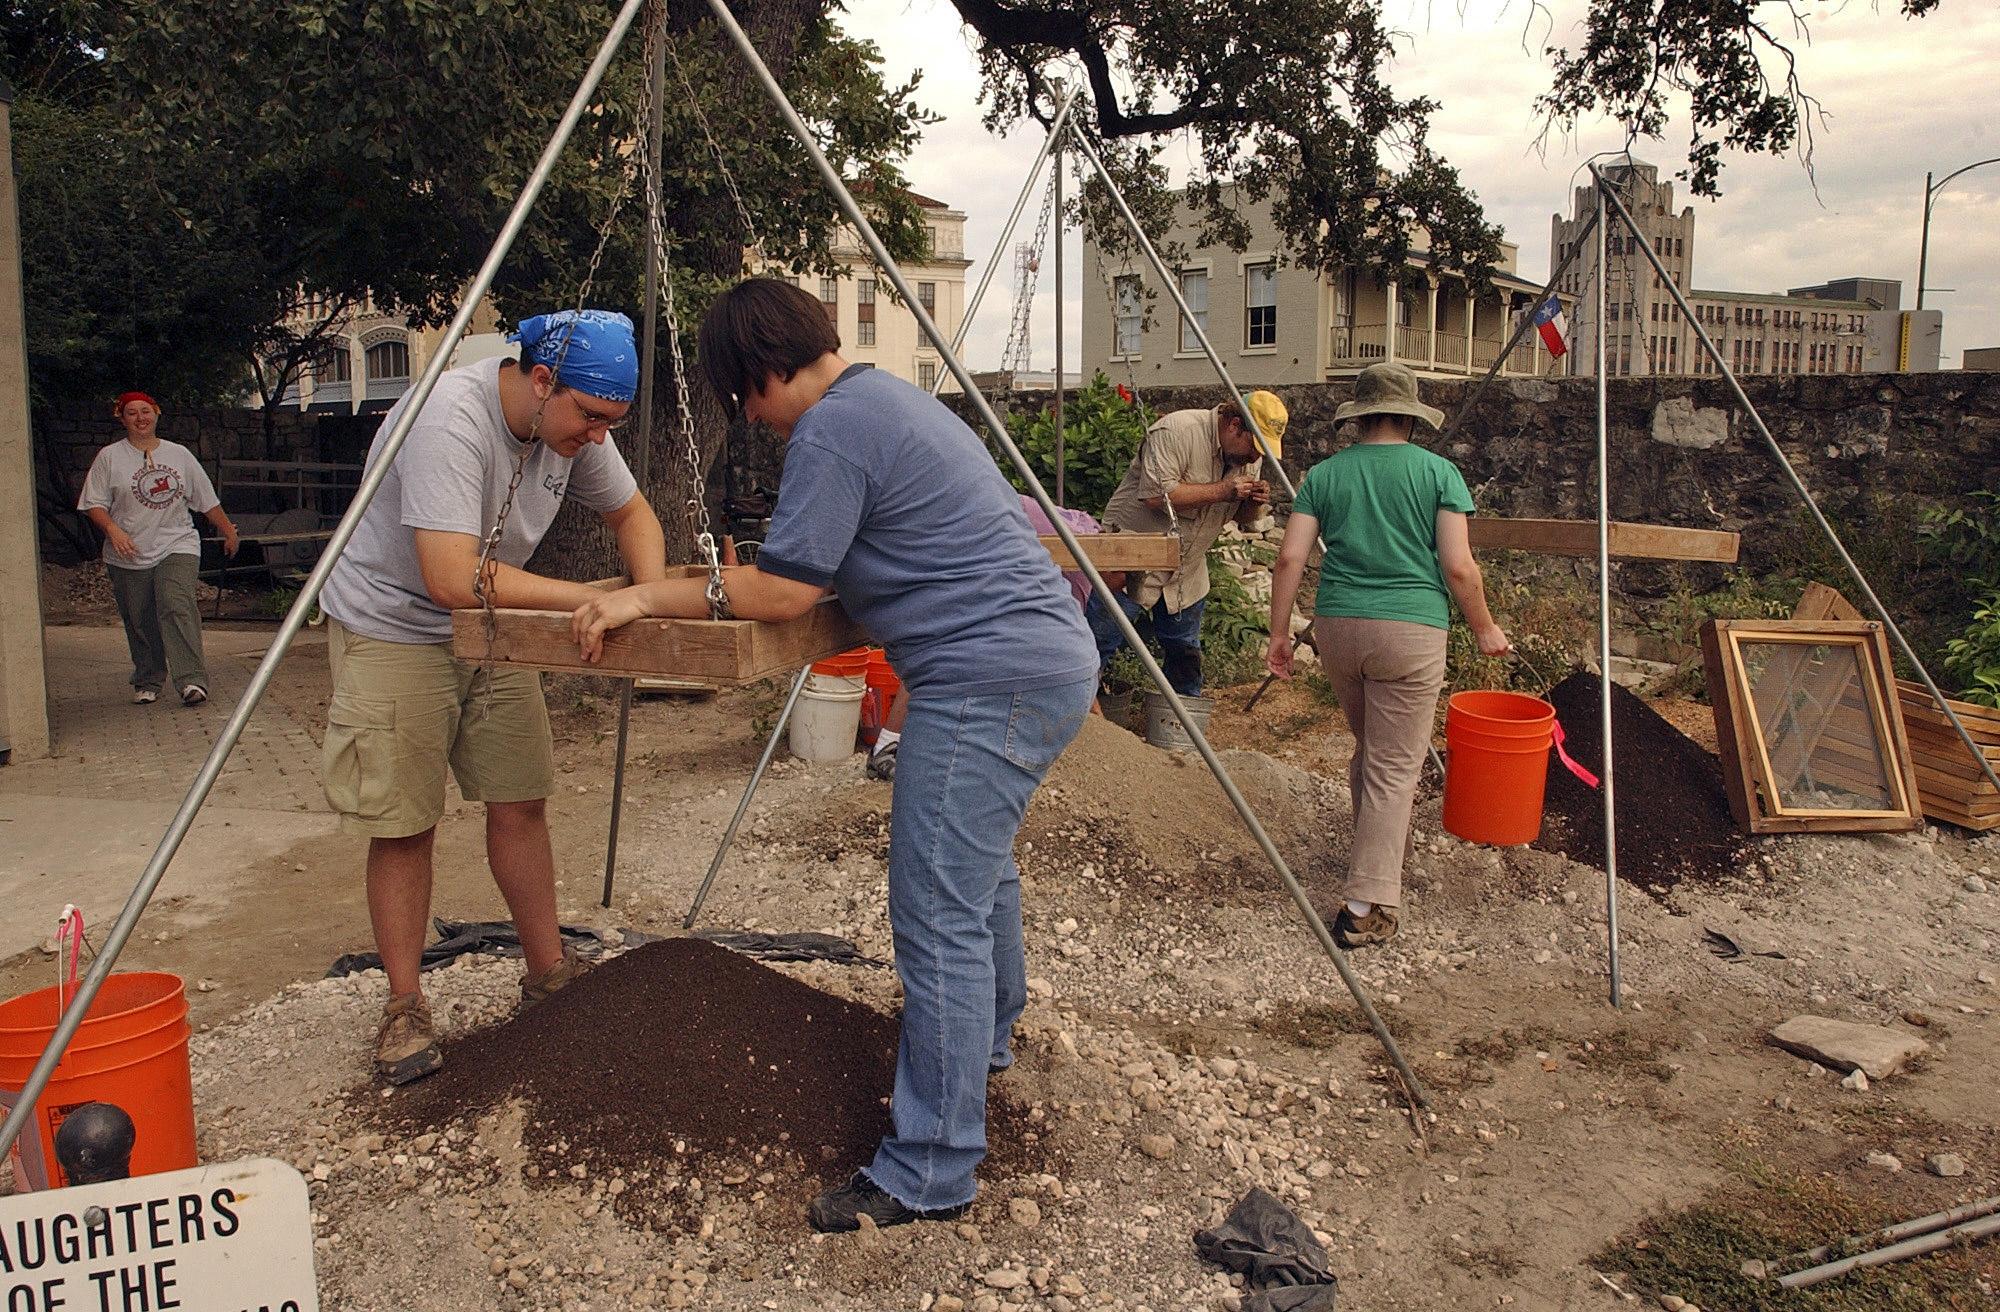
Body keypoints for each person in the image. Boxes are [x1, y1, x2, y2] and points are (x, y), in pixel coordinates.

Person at [571, 278, 1096, 1233]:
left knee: (935, 908)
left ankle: (930, 1167)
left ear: (766, 372)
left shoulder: (833, 428)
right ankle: (985, 1043)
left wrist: (647, 599)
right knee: (978, 876)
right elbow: (848, 560)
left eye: (747, 401)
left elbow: (779, 592)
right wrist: (738, 575)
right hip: (1039, 659)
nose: (757, 422)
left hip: (986, 676)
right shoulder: (890, 399)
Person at [317, 309, 667, 1085]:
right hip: (396, 625)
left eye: (613, 422)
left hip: (496, 627)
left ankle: (548, 972)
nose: (599, 439)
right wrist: (584, 596)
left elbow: (632, 512)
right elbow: (448, 576)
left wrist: (642, 598)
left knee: (520, 797)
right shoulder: (449, 419)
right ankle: (405, 1004)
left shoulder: (573, 423)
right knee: (405, 819)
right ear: (542, 382)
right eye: (591, 418)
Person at [1264, 363, 1510, 949]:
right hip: (1410, 629)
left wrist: (1279, 633)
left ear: (1361, 416)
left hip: (1339, 628)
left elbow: (1289, 560)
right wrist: (1485, 628)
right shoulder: (1439, 473)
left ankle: (1370, 863)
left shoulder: (1323, 475)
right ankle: (1364, 908)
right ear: (1409, 416)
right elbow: (1457, 565)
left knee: (1373, 751)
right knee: (1395, 767)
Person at [864, 493, 1112, 781]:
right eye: (1122, 586)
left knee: (948, 641)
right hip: (967, 539)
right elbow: (1071, 648)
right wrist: (1093, 714)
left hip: (973, 529)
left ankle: (899, 743)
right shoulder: (1079, 568)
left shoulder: (1087, 531)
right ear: (1116, 570)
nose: (1117, 594)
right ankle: (892, 745)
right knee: (943, 640)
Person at [1087, 391, 1287, 697]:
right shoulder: (1177, 431)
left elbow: (1242, 517)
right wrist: (1223, 490)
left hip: (1187, 570)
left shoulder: (1245, 458)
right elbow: (1156, 496)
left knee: (1184, 655)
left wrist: (1254, 504)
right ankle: (1079, 716)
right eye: (1256, 448)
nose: (1256, 458)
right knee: (1097, 642)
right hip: (1131, 561)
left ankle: (1181, 727)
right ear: (1234, 426)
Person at [78, 392, 241, 707]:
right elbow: (92, 503)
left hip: (176, 543)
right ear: (122, 418)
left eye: (145, 411)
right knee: (139, 618)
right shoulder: (109, 457)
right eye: (131, 413)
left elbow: (205, 498)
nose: (140, 418)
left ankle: (191, 680)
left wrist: (227, 530)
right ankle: (148, 678)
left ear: (156, 413)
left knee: (175, 602)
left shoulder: (178, 454)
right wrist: (113, 531)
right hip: (128, 551)